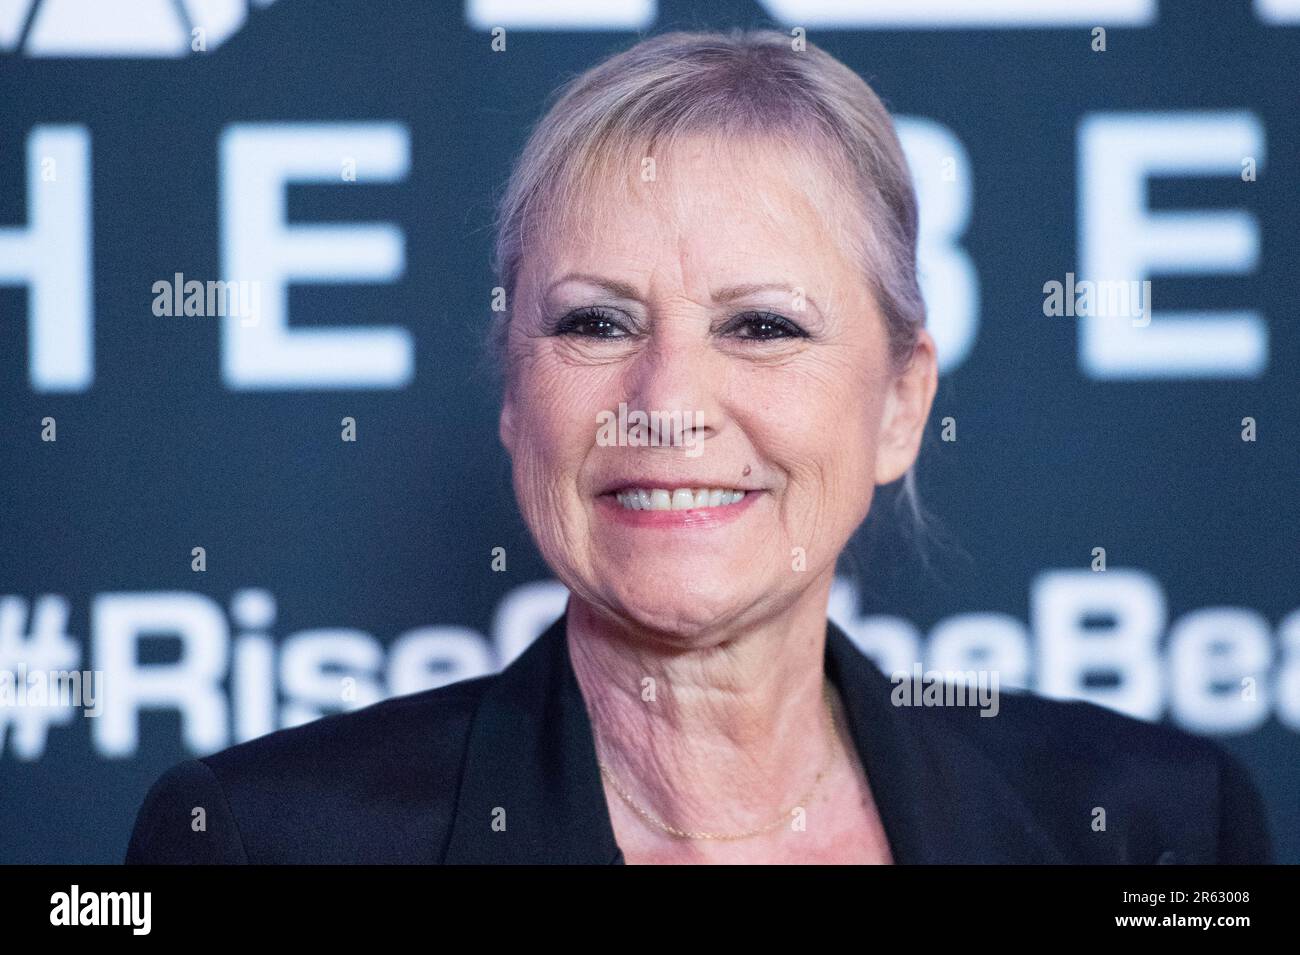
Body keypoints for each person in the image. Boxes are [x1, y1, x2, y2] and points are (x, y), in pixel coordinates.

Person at [125, 28, 1271, 865]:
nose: (665, 402)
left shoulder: (1157, 831)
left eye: (761, 325)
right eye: (594, 323)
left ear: (898, 404)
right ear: (514, 396)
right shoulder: (262, 842)